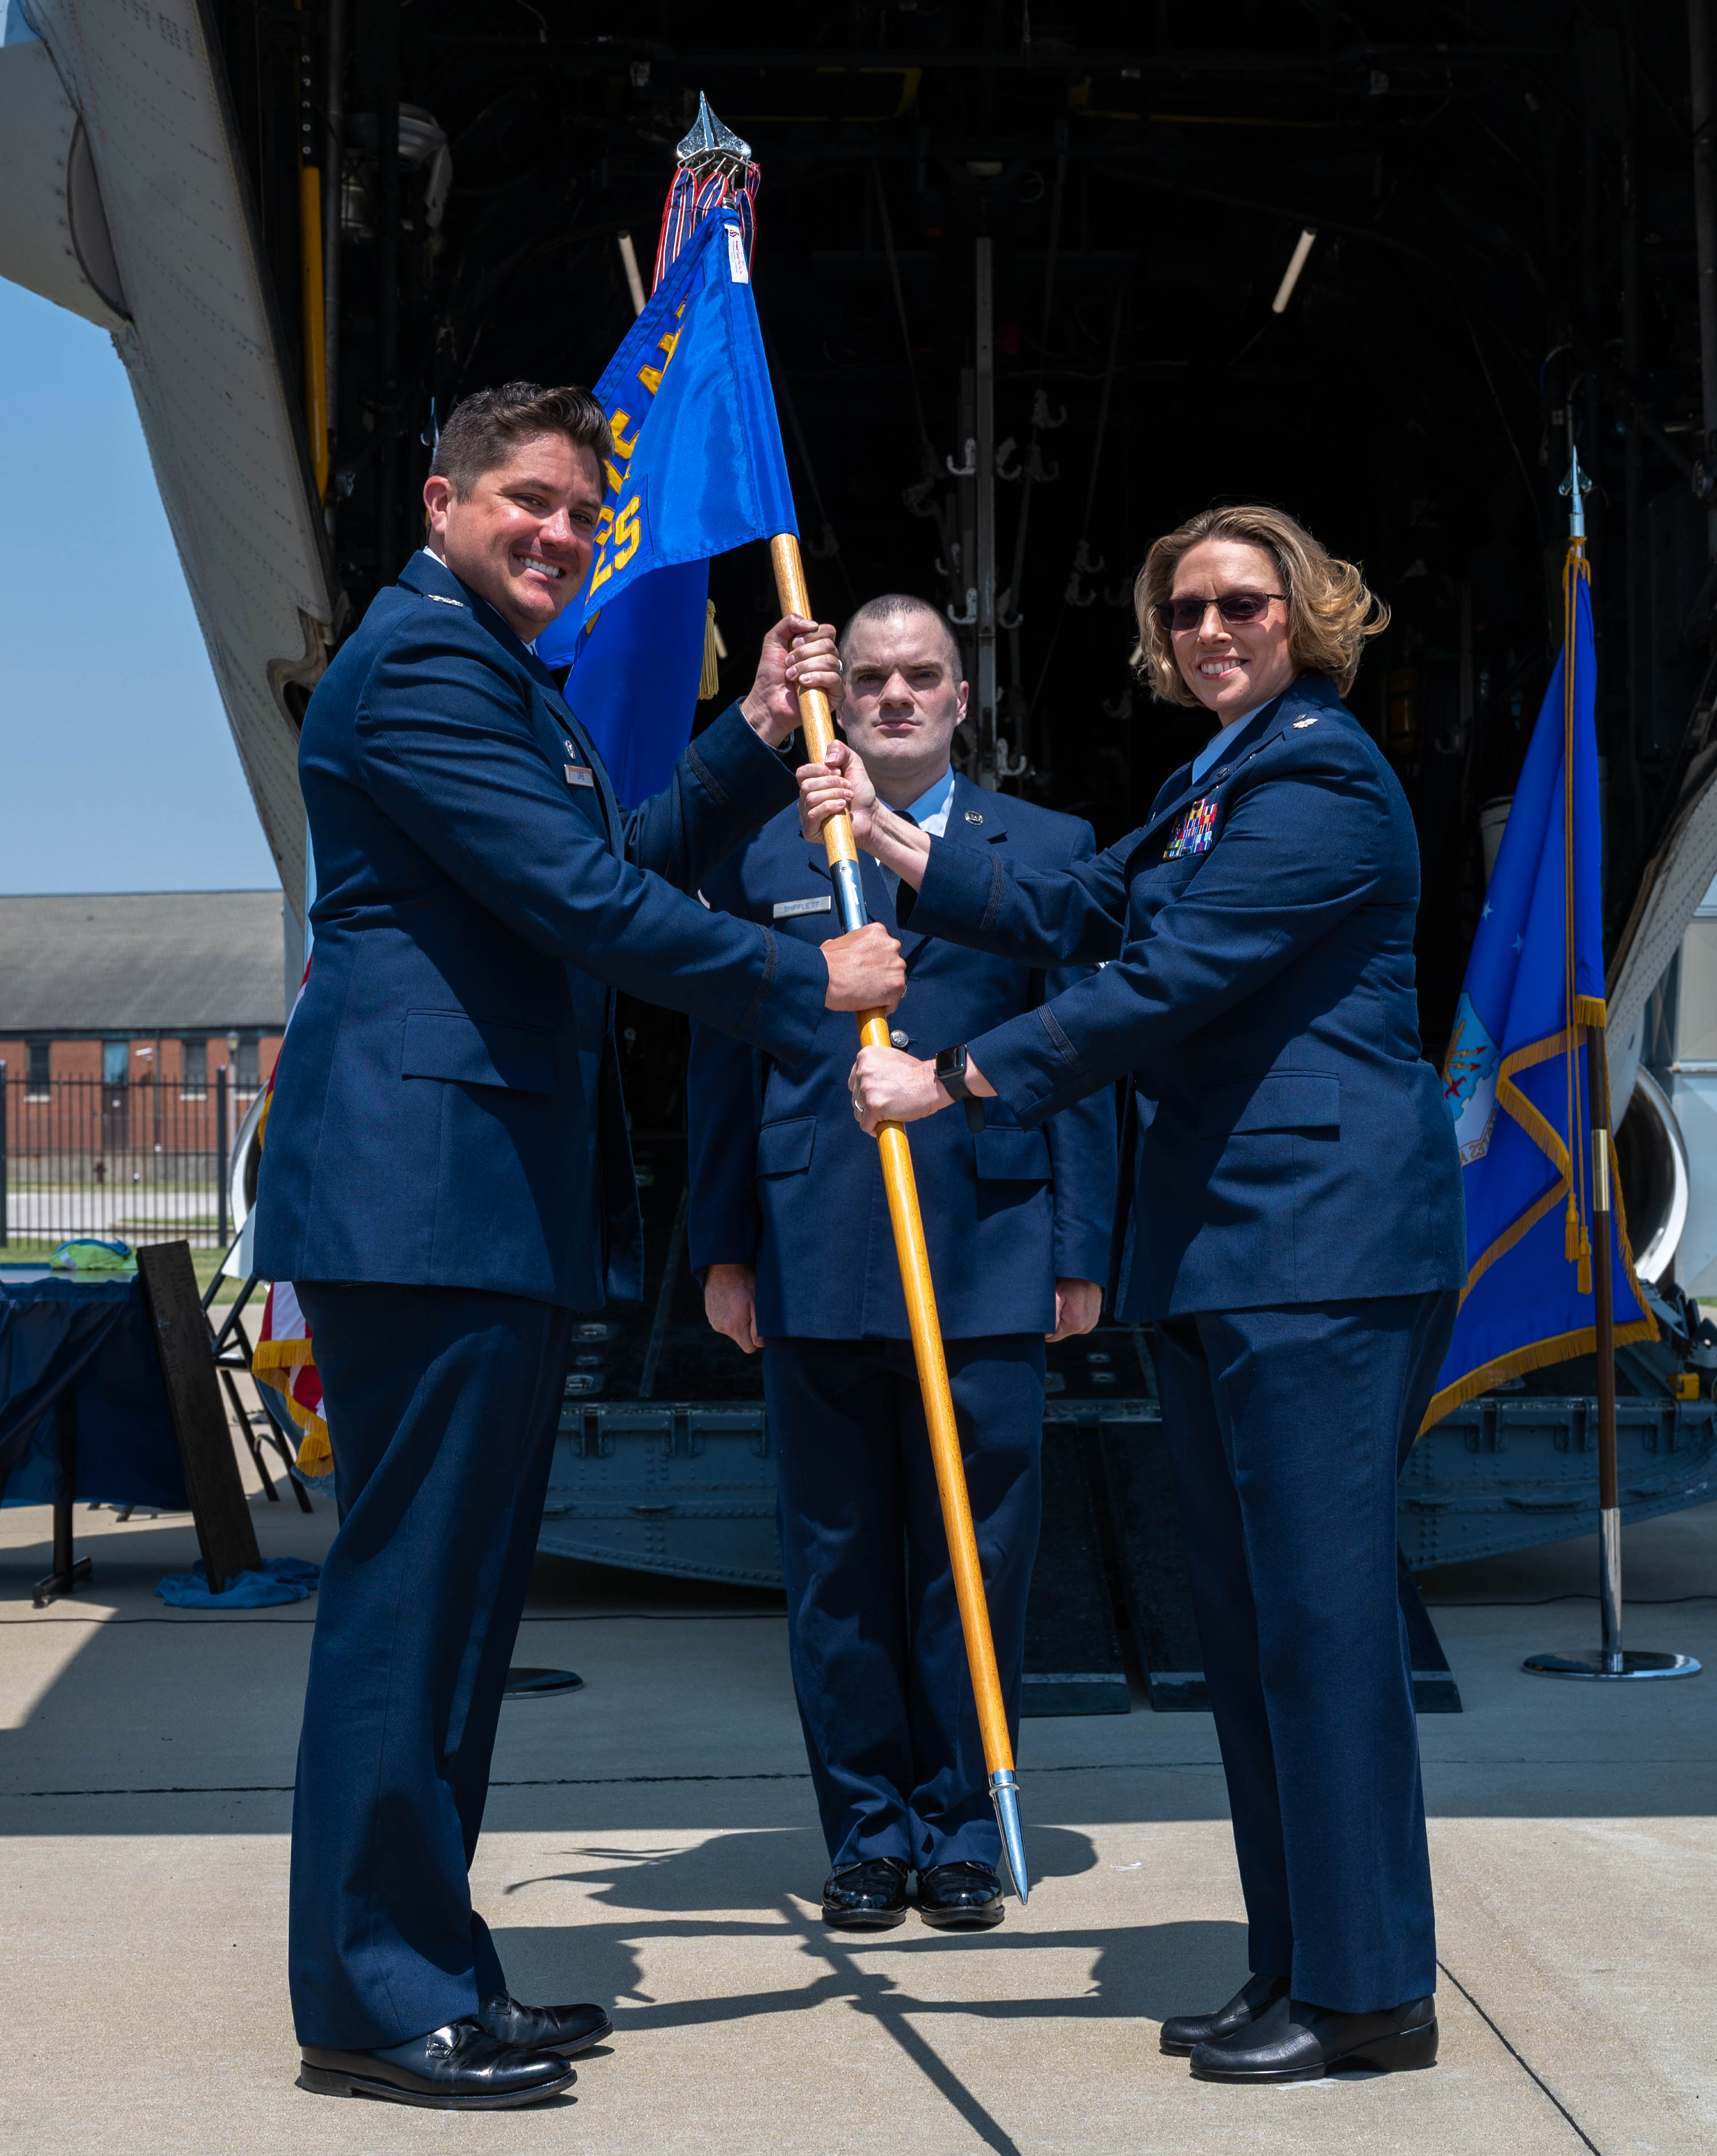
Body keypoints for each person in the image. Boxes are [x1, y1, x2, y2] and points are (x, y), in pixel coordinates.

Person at [253, 382, 904, 2111]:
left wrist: (754, 736)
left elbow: (597, 858)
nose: (555, 533)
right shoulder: (423, 666)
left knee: (458, 1613)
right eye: (525, 501)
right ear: (441, 499)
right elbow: (589, 909)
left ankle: (430, 1961)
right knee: (410, 1608)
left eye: (577, 514)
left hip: (477, 1194)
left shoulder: (483, 673)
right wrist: (800, 981)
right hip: (426, 1188)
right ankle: (376, 1996)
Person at [799, 506, 1464, 2085]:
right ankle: (1295, 1958)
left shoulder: (1315, 775)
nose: (1209, 628)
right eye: (1184, 609)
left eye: (1240, 601)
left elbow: (1164, 980)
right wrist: (903, 850)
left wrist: (956, 1077)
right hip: (1236, 1258)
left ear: (1305, 612)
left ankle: (1368, 1988)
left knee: (1318, 1628)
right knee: (1247, 1634)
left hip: (1320, 1251)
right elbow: (1091, 909)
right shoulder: (1205, 784)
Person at [688, 594, 1116, 1933]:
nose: (890, 696)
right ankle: (866, 1832)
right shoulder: (760, 849)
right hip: (813, 1249)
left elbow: (1088, 1046)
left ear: (961, 695)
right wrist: (720, 1251)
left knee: (970, 1559)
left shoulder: (1048, 849)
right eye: (867, 676)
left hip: (986, 1247)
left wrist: (1078, 1245)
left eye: (918, 675)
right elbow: (721, 1059)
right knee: (836, 1562)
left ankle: (958, 1828)